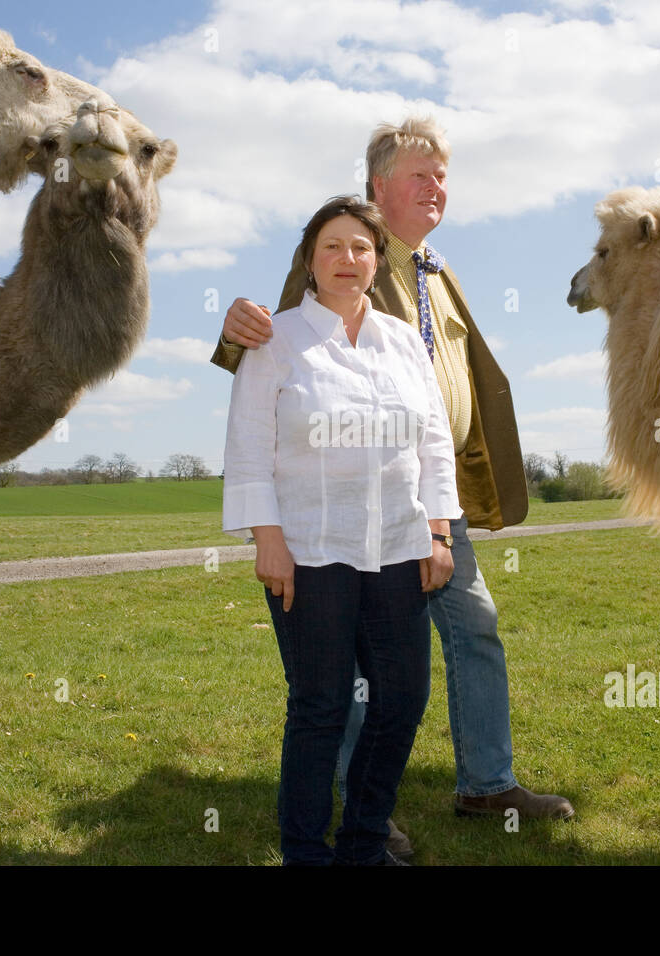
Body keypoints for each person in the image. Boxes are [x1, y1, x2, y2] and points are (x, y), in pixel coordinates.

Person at [214, 118, 575, 857]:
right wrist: (232, 328)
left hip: (428, 507)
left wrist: (445, 515)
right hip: (324, 530)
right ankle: (355, 817)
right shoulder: (343, 254)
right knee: (336, 687)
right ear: (379, 187)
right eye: (421, 175)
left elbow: (449, 398)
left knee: (450, 649)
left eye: (442, 175)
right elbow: (267, 347)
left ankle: (478, 783)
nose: (436, 187)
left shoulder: (435, 274)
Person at [222, 195, 461, 866]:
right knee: (321, 705)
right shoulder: (277, 338)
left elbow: (433, 441)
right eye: (332, 246)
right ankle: (304, 849)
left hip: (397, 545)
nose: (347, 259)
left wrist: (437, 531)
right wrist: (267, 538)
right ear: (310, 259)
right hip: (309, 549)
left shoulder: (403, 341)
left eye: (360, 247)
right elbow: (248, 445)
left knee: (403, 698)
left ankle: (363, 841)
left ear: (377, 260)